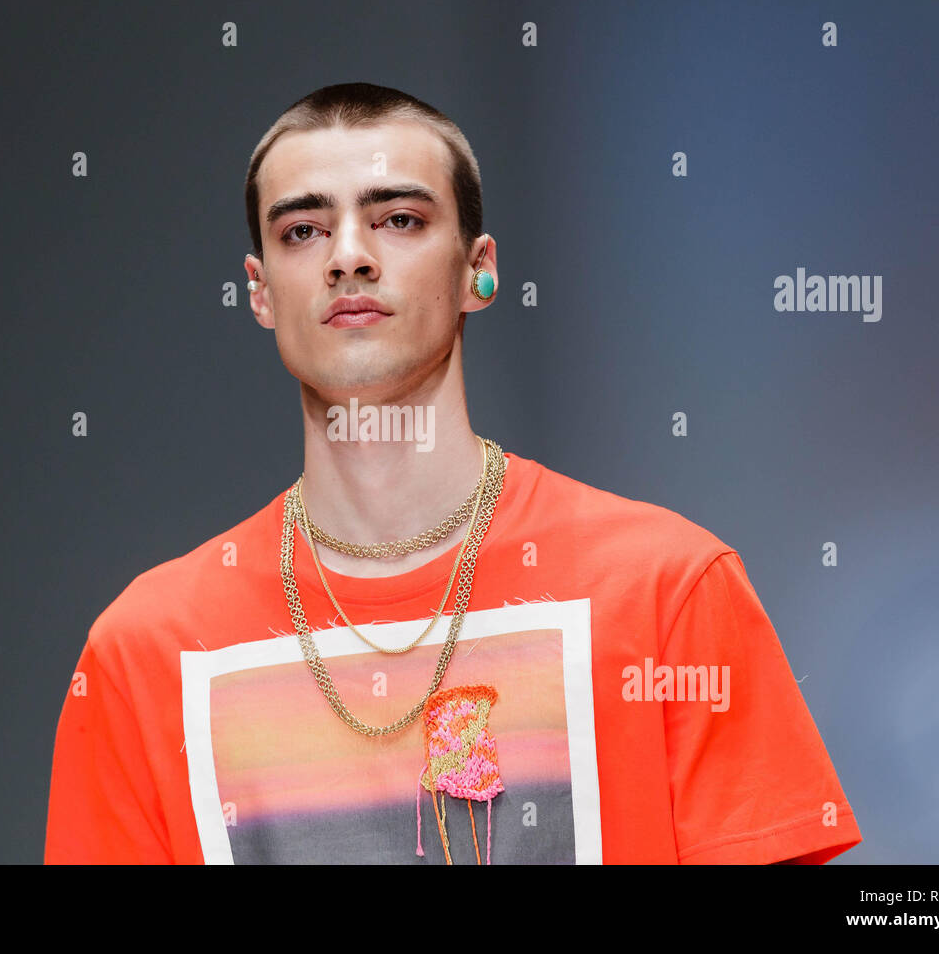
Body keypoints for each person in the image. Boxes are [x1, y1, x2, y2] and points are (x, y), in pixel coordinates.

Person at [43, 81, 862, 864]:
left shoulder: (667, 592)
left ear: (480, 270)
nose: (349, 257)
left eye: (398, 219)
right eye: (302, 231)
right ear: (259, 292)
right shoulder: (144, 654)